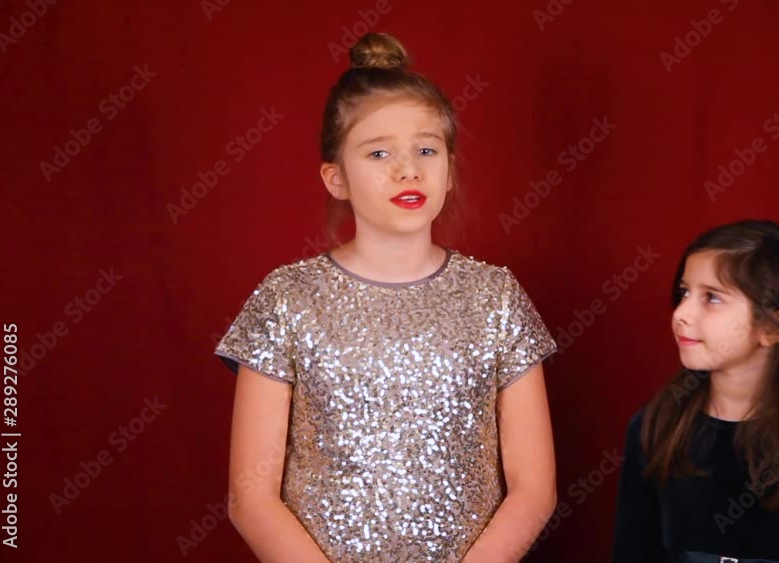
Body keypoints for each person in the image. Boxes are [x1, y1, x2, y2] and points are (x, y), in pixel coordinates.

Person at [214, 32, 558, 562]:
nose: (407, 169)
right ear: (336, 178)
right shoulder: (287, 298)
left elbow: (534, 486)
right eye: (379, 153)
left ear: (447, 170)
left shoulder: (495, 298)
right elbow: (251, 497)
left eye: (426, 149)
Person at [612, 220, 779, 563]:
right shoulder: (656, 427)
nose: (681, 314)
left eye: (712, 298)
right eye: (684, 292)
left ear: (774, 326)